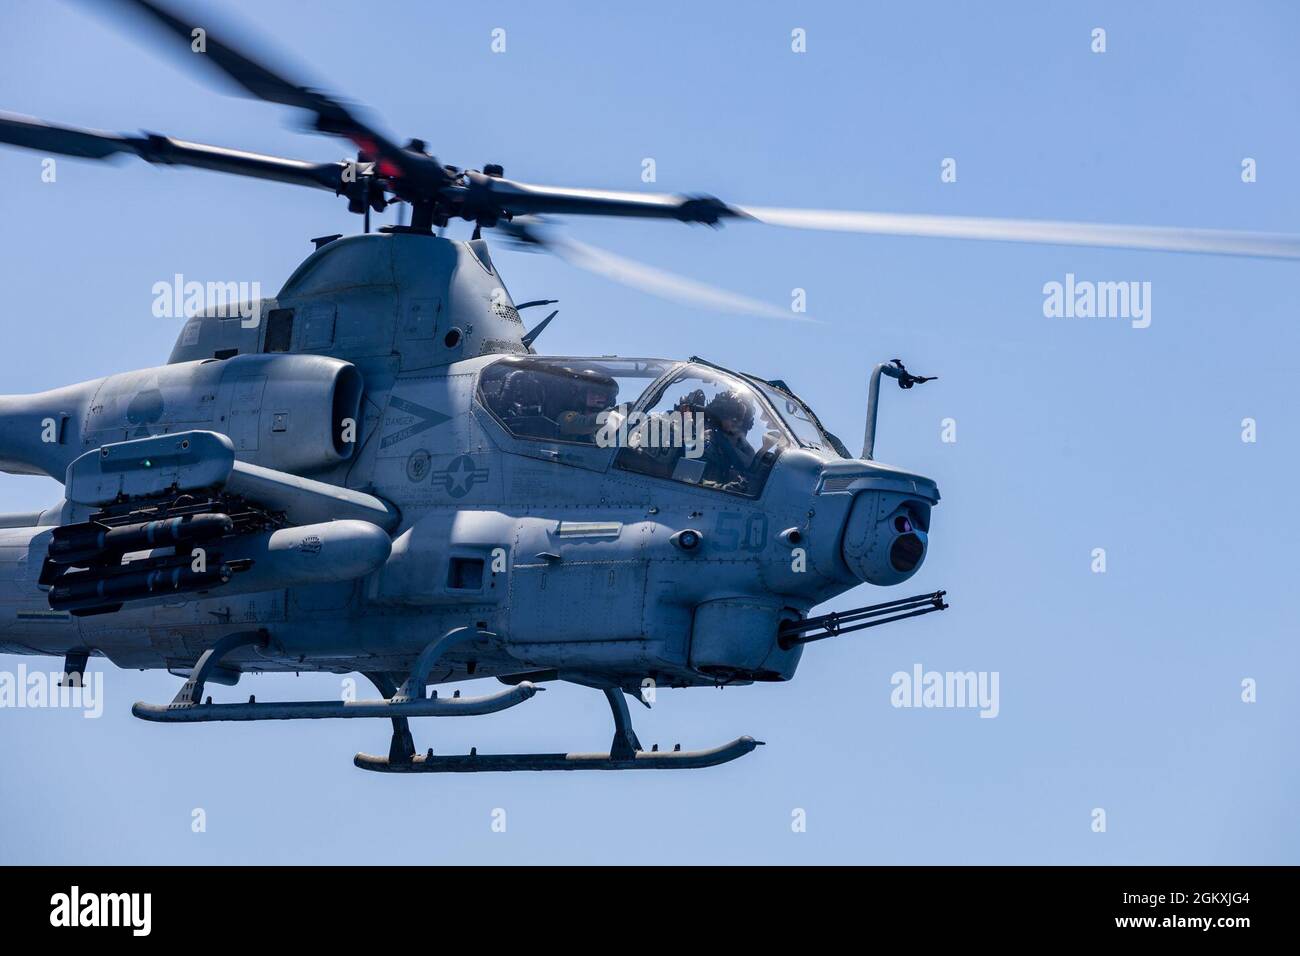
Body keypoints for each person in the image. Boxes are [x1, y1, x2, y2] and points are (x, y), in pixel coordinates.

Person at [700, 389, 758, 492]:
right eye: (729, 415)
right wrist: (722, 488)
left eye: (740, 417)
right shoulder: (706, 442)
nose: (735, 421)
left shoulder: (745, 452)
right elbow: (689, 478)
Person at [555, 368, 619, 443]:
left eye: (603, 393)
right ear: (583, 395)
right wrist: (617, 412)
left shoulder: (611, 424)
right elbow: (585, 424)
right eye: (594, 392)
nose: (598, 396)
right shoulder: (565, 417)